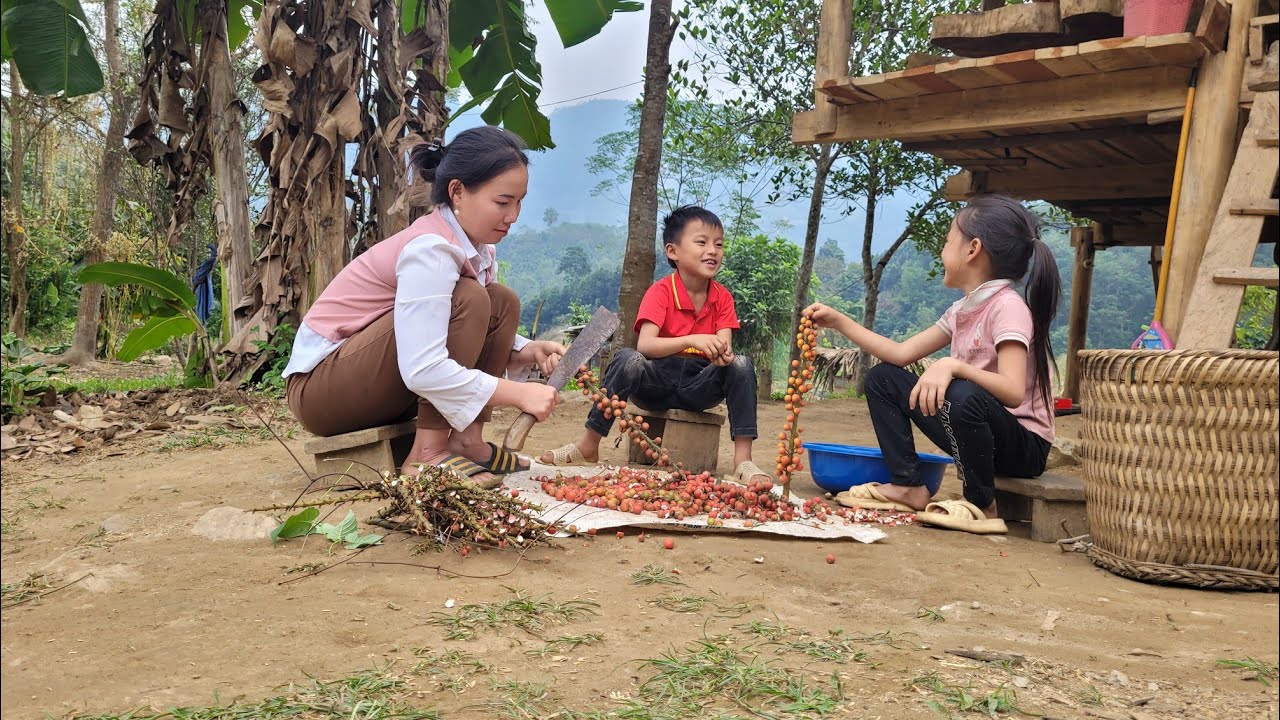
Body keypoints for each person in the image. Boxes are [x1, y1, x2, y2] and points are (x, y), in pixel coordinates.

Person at [283, 126, 566, 485]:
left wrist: (526, 350)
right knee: (468, 298)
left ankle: (467, 440)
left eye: (519, 201)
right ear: (458, 192)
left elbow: (453, 328)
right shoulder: (431, 249)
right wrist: (519, 394)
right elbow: (423, 367)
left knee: (501, 301)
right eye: (502, 202)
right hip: (320, 392)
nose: (514, 215)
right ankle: (427, 454)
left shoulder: (475, 249)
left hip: (372, 381)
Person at [805, 195, 1061, 534]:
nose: (942, 251)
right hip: (973, 427)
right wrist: (840, 322)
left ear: (972, 249)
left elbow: (1012, 392)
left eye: (946, 241)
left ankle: (982, 504)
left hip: (1022, 446)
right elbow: (899, 354)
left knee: (962, 391)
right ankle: (908, 484)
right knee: (883, 378)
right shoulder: (961, 311)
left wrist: (954, 366)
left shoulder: (1007, 307)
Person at [539, 206, 770, 483]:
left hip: (699, 385)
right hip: (655, 382)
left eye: (718, 244)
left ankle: (743, 461)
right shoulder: (661, 292)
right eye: (702, 242)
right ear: (673, 251)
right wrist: (692, 339)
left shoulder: (723, 298)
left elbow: (724, 349)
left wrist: (723, 355)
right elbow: (646, 346)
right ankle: (588, 444)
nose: (713, 250)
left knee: (742, 364)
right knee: (628, 358)